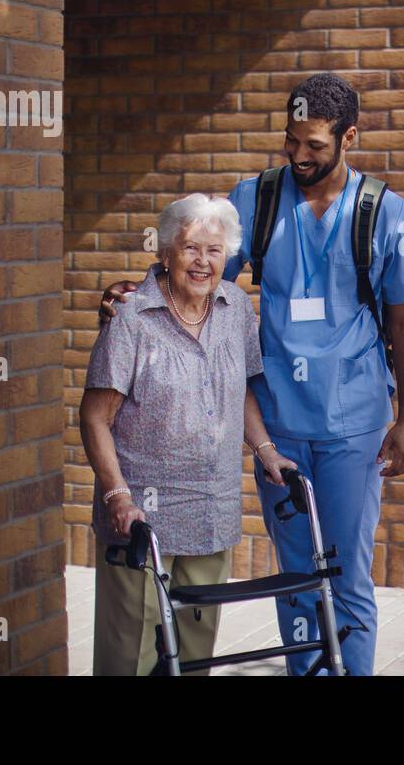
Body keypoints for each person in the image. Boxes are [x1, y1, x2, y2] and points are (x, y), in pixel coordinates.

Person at [100, 73, 404, 676]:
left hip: (351, 422)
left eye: (314, 145)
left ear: (349, 137)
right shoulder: (255, 197)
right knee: (295, 574)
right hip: (276, 425)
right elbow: (196, 274)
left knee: (343, 569)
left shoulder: (386, 213)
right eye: (291, 141)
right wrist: (137, 289)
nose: (299, 156)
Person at [81, 193, 297, 675]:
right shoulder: (131, 318)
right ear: (165, 253)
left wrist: (266, 451)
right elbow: (95, 417)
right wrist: (117, 496)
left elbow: (238, 388)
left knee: (193, 655)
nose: (202, 261)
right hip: (140, 516)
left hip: (209, 507)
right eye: (190, 248)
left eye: (214, 250)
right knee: (128, 653)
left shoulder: (236, 306)